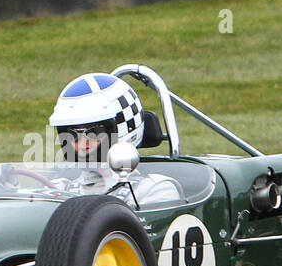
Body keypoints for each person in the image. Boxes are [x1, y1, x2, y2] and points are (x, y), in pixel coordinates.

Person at [47, 72, 183, 206]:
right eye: (72, 134)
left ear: (123, 129)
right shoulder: (58, 189)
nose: (83, 144)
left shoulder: (153, 190)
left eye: (93, 133)